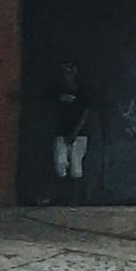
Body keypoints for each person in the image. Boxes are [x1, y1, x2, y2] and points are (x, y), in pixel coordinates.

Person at [48, 62, 96, 197]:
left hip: (78, 135)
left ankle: (75, 198)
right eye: (65, 73)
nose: (66, 76)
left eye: (69, 73)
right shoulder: (57, 91)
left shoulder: (81, 92)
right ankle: (61, 197)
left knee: (76, 168)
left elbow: (86, 113)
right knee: (60, 165)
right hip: (61, 133)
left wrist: (75, 131)